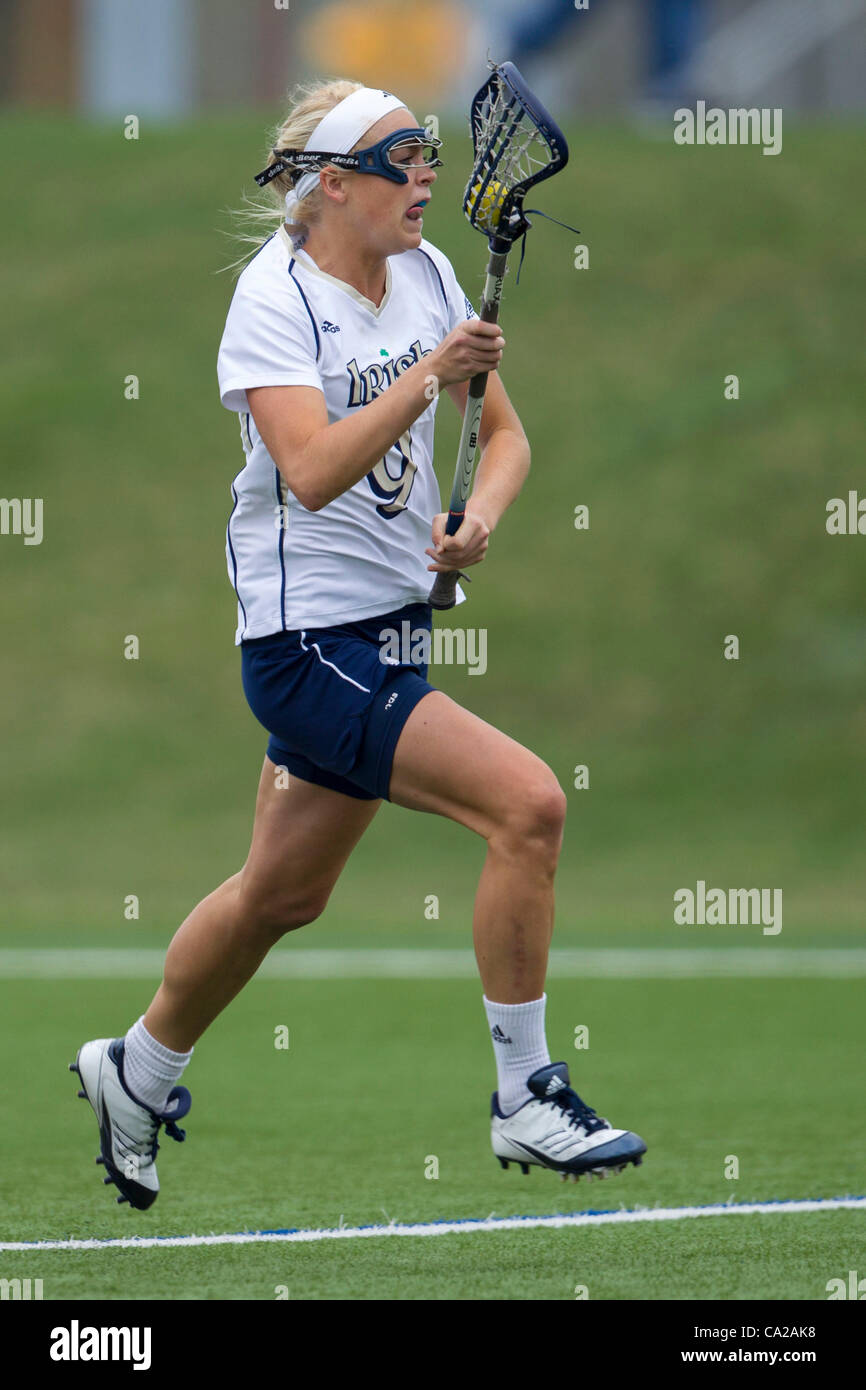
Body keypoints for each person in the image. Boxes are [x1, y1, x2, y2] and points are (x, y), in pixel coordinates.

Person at [70, 79, 645, 1209]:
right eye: (399, 158)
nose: (424, 174)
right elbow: (312, 469)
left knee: (278, 898)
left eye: (427, 154)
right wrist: (430, 375)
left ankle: (134, 1070)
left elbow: (505, 435)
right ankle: (524, 1094)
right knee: (528, 804)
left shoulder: (427, 276)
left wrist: (477, 516)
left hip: (388, 632)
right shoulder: (272, 299)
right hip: (306, 647)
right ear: (330, 182)